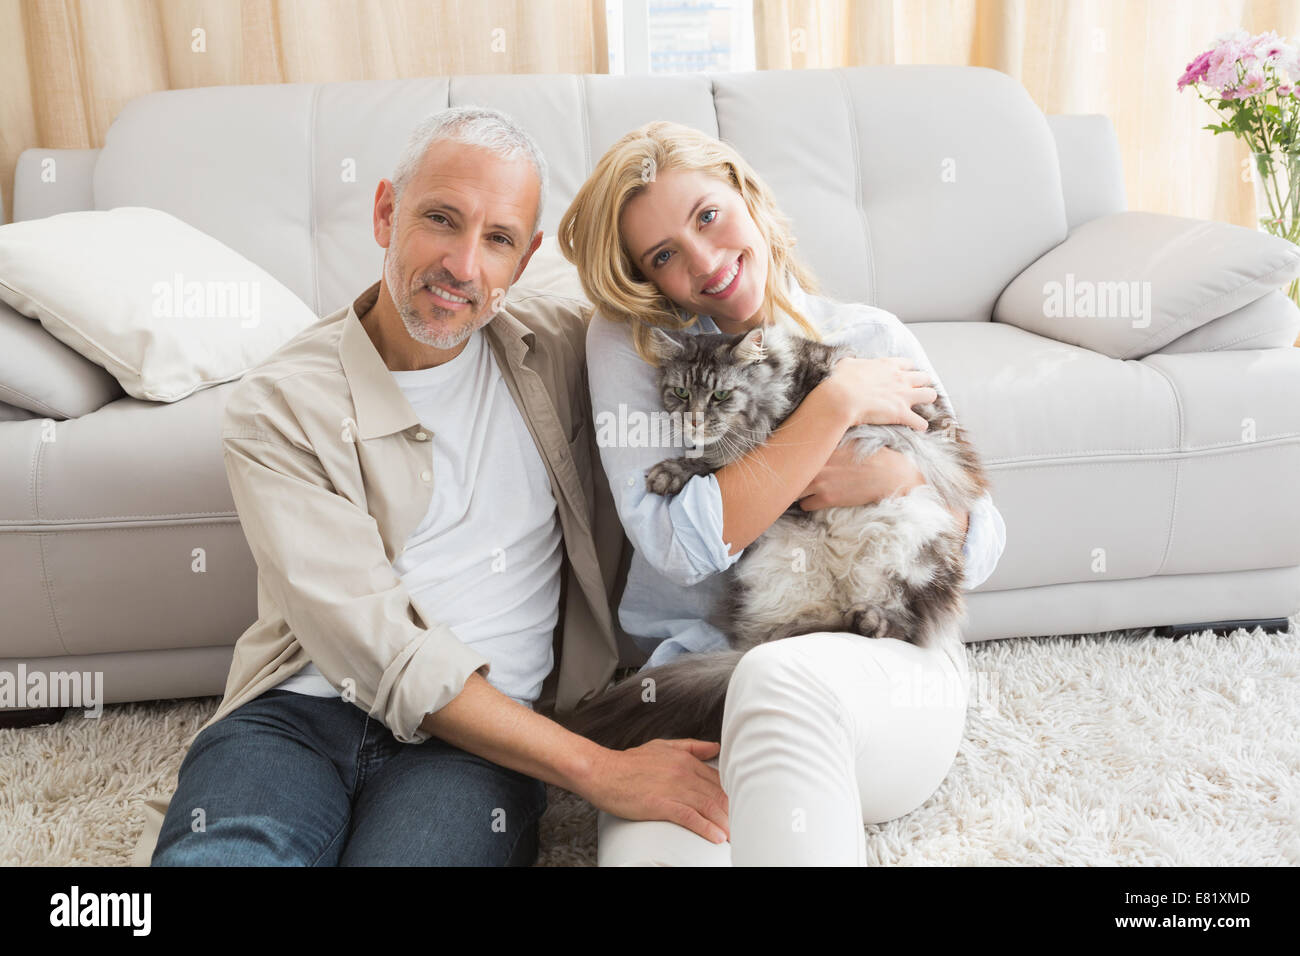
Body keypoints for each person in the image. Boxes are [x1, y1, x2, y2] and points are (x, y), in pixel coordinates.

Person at [135, 107, 729, 867]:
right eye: (441, 219)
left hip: (479, 749)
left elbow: (719, 312)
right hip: (297, 716)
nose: (463, 264)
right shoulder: (279, 405)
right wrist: (600, 770)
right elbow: (380, 647)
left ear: (525, 259)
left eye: (498, 240)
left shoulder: (565, 351)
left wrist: (849, 427)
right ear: (386, 212)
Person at [557, 121, 1008, 866]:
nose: (704, 261)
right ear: (645, 280)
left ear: (747, 193)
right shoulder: (645, 351)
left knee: (777, 674)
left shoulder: (871, 336)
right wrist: (834, 408)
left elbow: (983, 541)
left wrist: (904, 474)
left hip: (885, 677)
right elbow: (679, 546)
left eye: (708, 215)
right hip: (705, 687)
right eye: (663, 255)